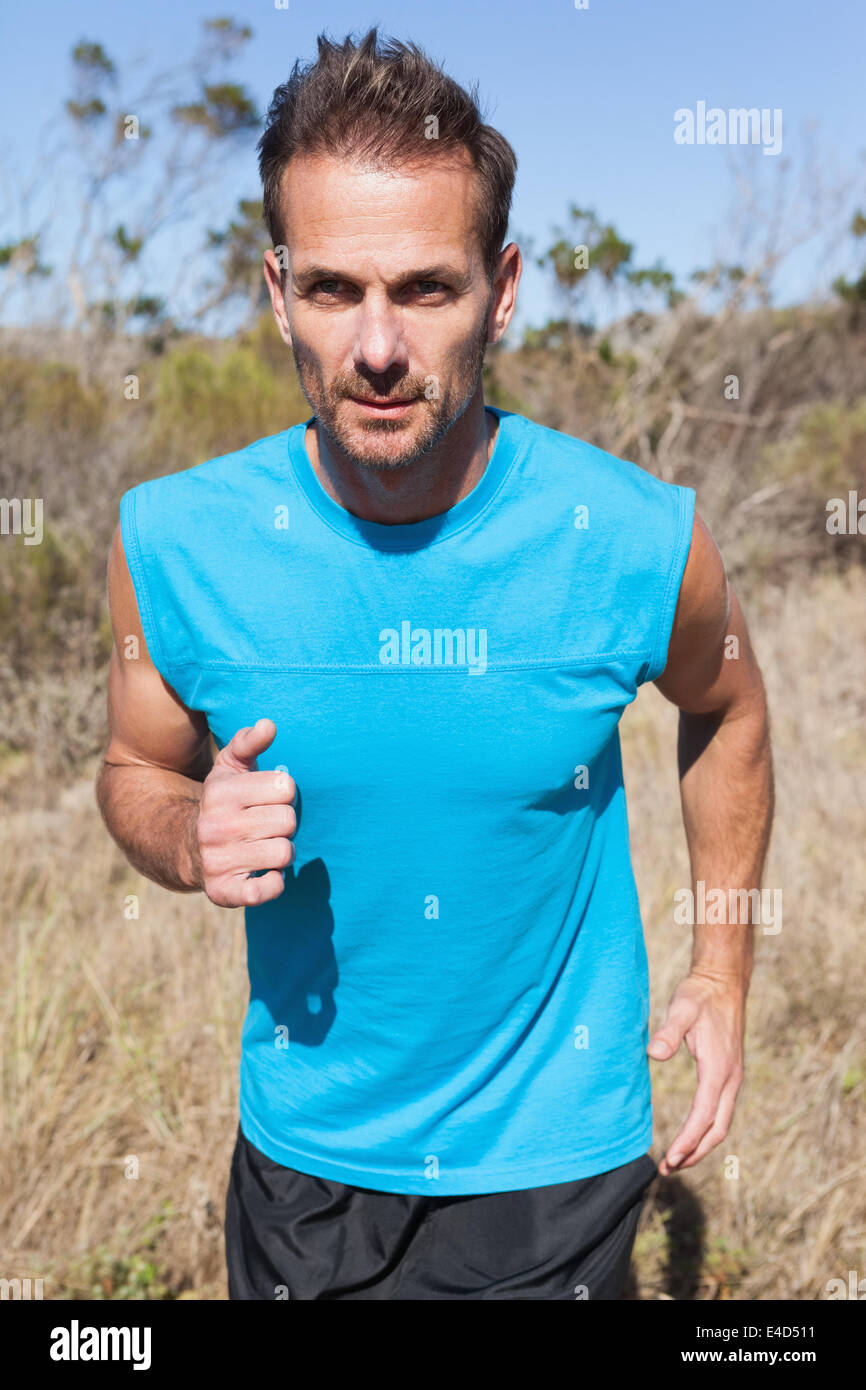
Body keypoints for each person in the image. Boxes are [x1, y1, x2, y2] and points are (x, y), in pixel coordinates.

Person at [96, 27, 774, 1301]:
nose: (376, 348)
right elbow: (134, 765)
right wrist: (189, 832)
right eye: (333, 289)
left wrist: (720, 966)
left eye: (424, 287)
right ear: (275, 285)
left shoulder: (633, 538)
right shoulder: (176, 542)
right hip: (306, 1162)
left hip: (553, 1168)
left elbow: (728, 707)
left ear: (502, 286)